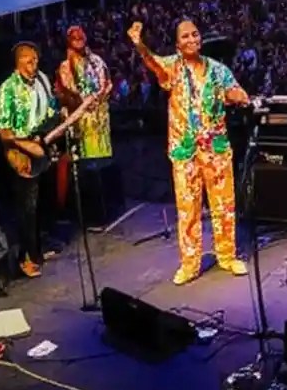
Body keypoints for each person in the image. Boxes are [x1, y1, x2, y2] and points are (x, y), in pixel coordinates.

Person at [130, 20, 249, 285]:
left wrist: (238, 95)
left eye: (195, 34)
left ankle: (227, 256)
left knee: (224, 205)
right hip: (185, 150)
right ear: (177, 44)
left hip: (215, 149)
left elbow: (234, 90)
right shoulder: (172, 66)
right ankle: (190, 263)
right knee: (188, 209)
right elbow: (152, 62)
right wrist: (140, 45)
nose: (192, 39)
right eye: (185, 36)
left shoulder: (217, 69)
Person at [0, 43, 57, 278]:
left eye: (36, 60)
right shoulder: (8, 88)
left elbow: (50, 107)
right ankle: (24, 258)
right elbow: (0, 127)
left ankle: (38, 250)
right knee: (24, 209)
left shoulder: (41, 80)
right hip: (20, 150)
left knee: (40, 204)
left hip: (40, 143)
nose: (34, 65)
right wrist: (17, 148)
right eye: (28, 61)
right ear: (18, 63)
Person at [54, 25, 114, 215]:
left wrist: (101, 97)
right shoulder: (65, 67)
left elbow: (108, 83)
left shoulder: (97, 61)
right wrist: (81, 102)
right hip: (81, 122)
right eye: (74, 36)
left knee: (102, 169)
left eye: (81, 35)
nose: (79, 38)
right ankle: (90, 212)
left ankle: (105, 208)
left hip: (99, 121)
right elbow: (65, 92)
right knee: (86, 169)